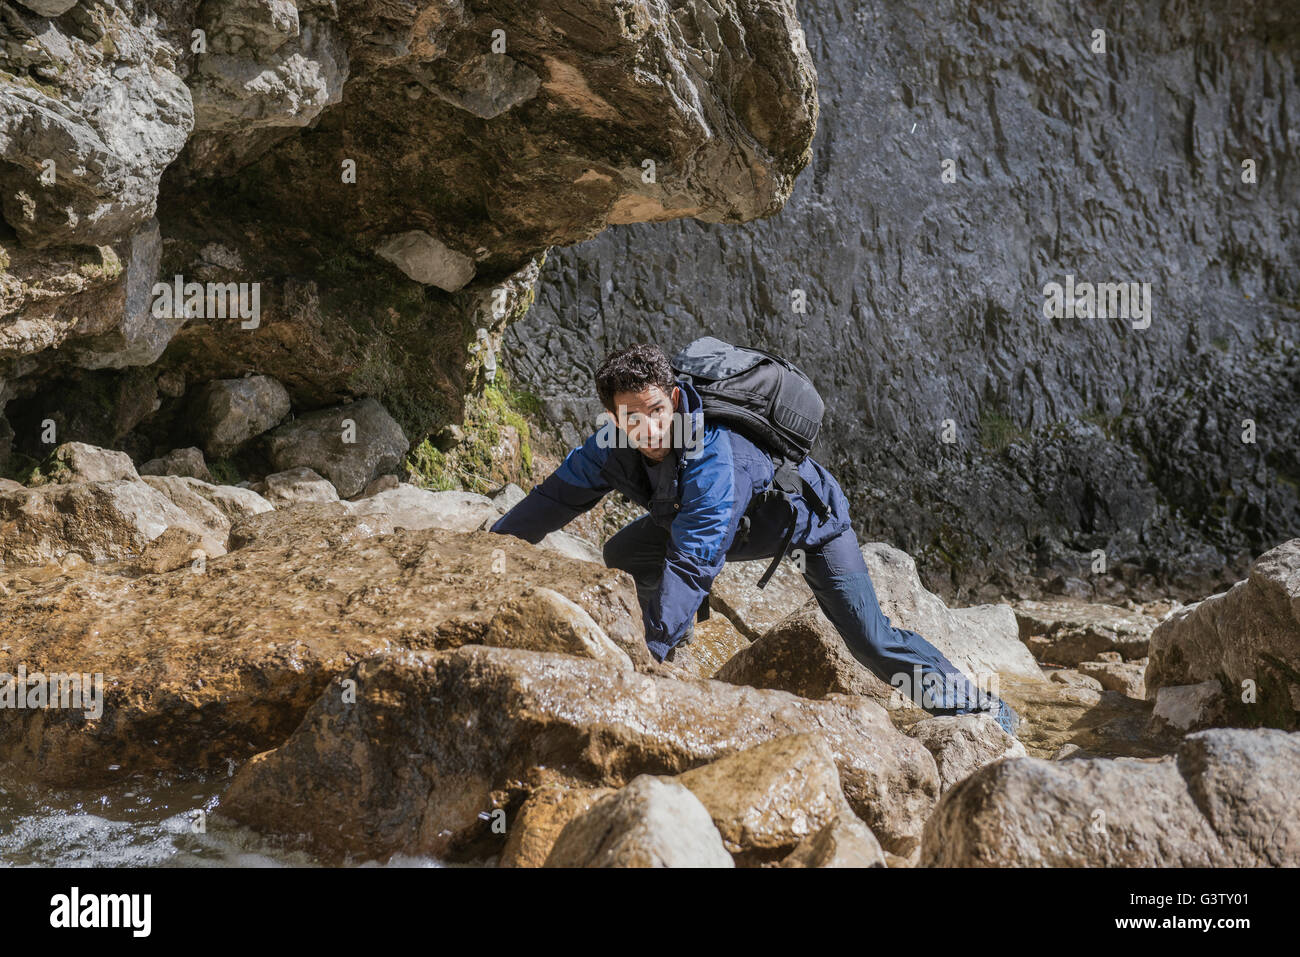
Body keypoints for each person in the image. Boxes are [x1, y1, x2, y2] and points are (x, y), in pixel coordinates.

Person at [490, 343, 1019, 736]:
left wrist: (645, 657)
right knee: (622, 553)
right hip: (711, 524)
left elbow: (695, 559)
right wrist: (490, 550)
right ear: (611, 418)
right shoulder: (609, 445)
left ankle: (982, 710)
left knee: (870, 640)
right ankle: (682, 638)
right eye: (630, 418)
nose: (647, 429)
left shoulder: (717, 456)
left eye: (656, 412)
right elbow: (554, 499)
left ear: (674, 398)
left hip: (808, 525)